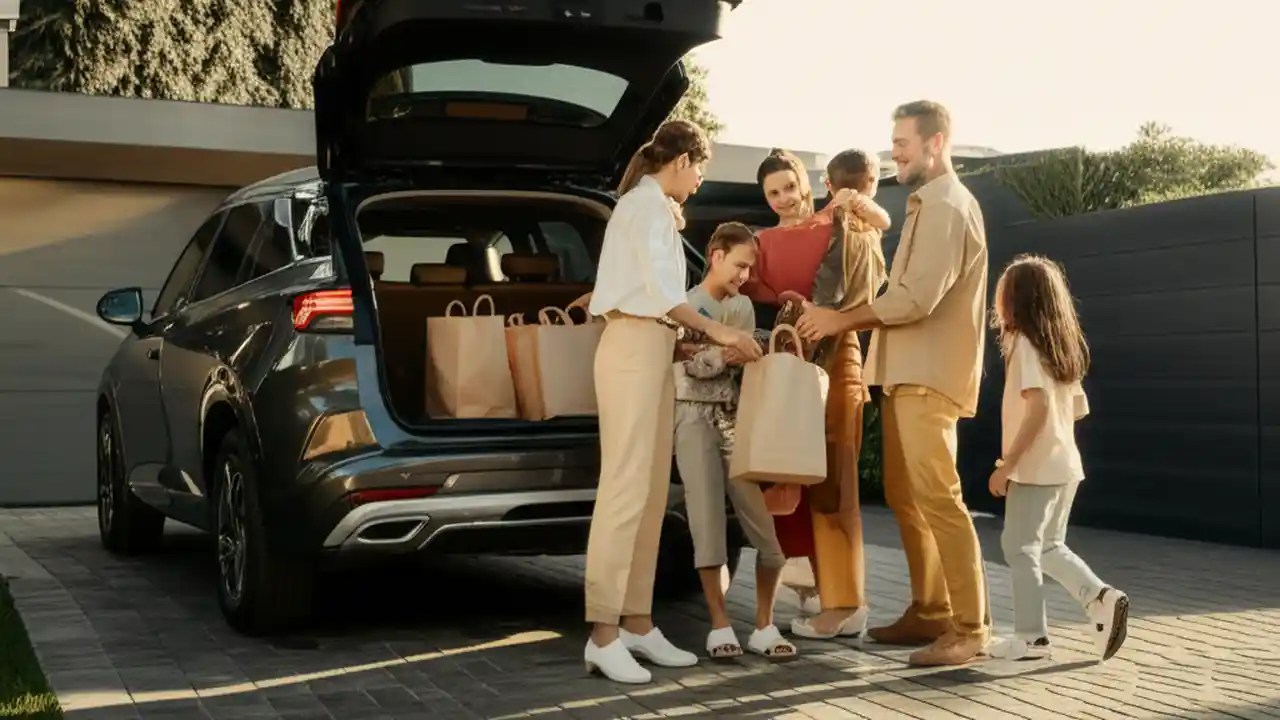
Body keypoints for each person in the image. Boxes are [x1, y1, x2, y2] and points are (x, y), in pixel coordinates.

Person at [797, 100, 992, 667]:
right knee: (908, 498)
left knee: (939, 499)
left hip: (931, 376)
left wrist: (840, 318)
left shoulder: (949, 206)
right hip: (906, 373)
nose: (893, 152)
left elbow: (914, 299)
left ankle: (971, 627)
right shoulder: (923, 205)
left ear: (935, 143)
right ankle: (931, 610)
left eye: (902, 142)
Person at [583, 120, 762, 685]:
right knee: (625, 490)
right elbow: (663, 296)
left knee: (650, 490)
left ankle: (636, 622)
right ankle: (602, 635)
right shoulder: (648, 207)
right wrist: (722, 334)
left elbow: (658, 300)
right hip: (634, 345)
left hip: (650, 345)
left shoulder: (648, 206)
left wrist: (692, 335)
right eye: (701, 170)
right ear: (683, 159)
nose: (700, 182)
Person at [744, 149, 891, 640]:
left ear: (809, 184)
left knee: (834, 484)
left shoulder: (841, 220)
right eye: (773, 193)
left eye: (789, 186)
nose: (784, 198)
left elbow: (870, 271)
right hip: (787, 361)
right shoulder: (761, 243)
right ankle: (820, 587)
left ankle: (847, 605)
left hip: (836, 355)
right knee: (790, 479)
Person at [986, 254, 1129, 662]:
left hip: (1036, 467)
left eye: (1003, 293)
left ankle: (1032, 638)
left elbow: (1040, 408)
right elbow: (1076, 409)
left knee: (1019, 548)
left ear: (1018, 301)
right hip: (1065, 463)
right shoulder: (1059, 346)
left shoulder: (1026, 345)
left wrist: (1007, 465)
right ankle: (1100, 598)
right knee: (1048, 547)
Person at [672, 222, 795, 659]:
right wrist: (727, 351)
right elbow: (689, 366)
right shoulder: (684, 305)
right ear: (716, 254)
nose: (744, 274)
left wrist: (726, 354)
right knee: (706, 525)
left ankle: (764, 626)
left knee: (765, 532)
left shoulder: (742, 308)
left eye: (750, 268)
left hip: (735, 419)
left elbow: (734, 365)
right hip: (690, 419)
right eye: (740, 264)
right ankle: (720, 624)